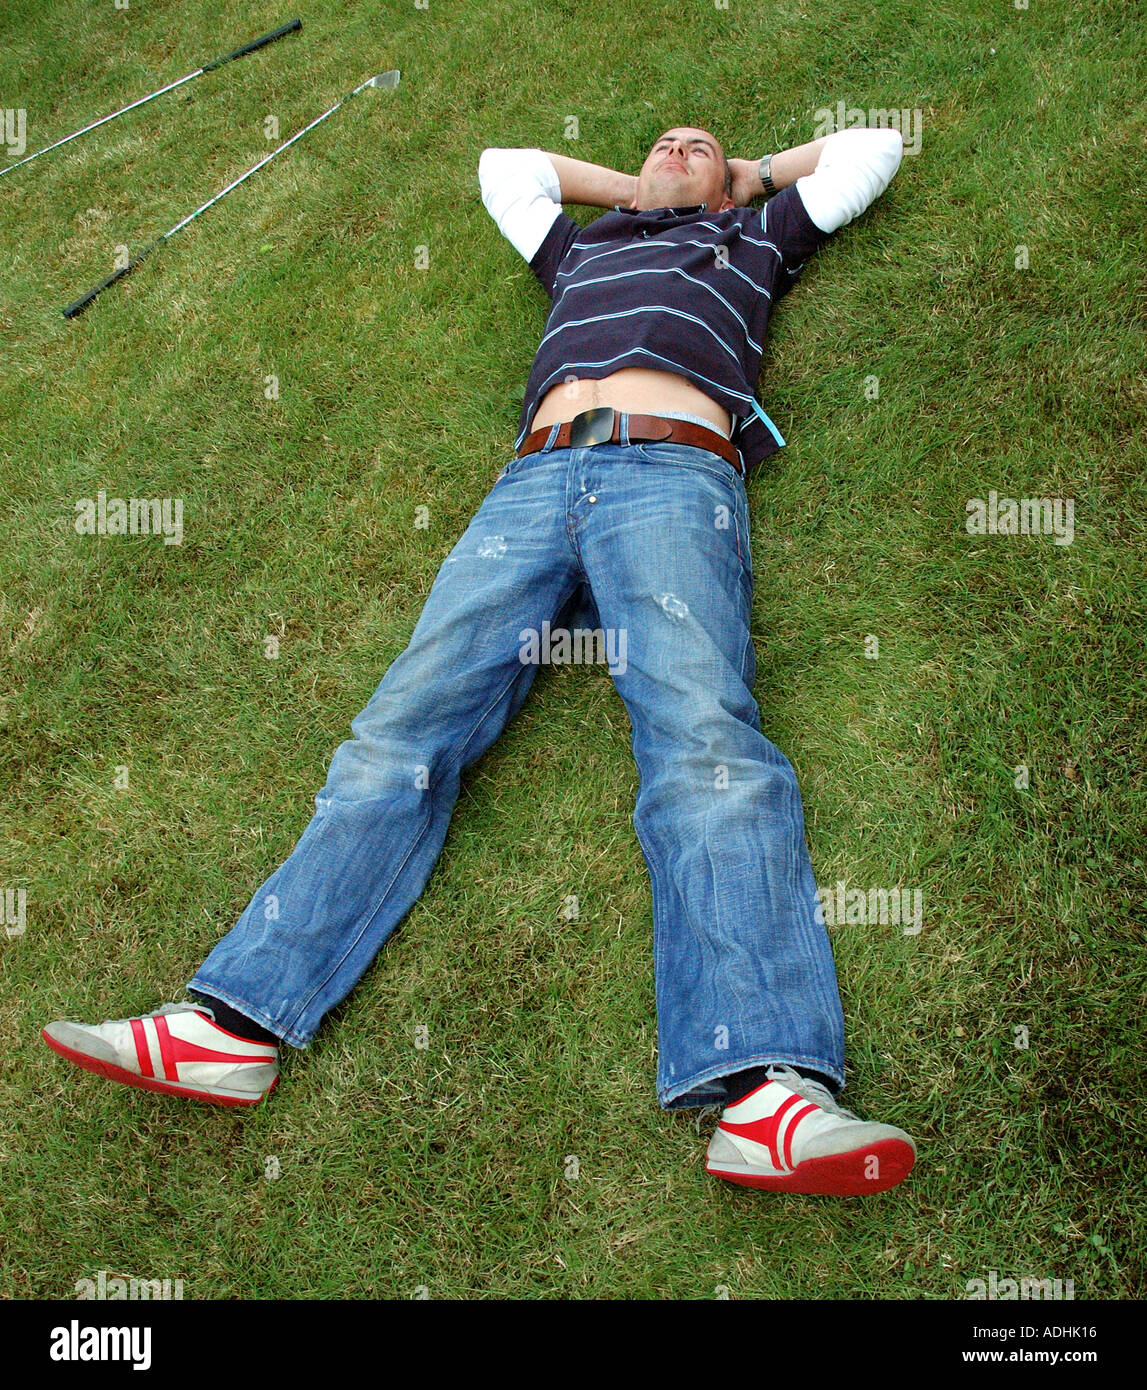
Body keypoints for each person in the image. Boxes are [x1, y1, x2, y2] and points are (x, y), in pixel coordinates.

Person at [44, 122, 917, 1196]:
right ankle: (230, 1023)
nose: (683, 141)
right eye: (664, 138)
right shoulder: (582, 252)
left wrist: (738, 184)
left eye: (704, 140)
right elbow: (505, 168)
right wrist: (644, 188)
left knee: (703, 740)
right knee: (399, 731)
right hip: (531, 488)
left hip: (672, 475)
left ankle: (766, 1091)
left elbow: (870, 149)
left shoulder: (755, 239)